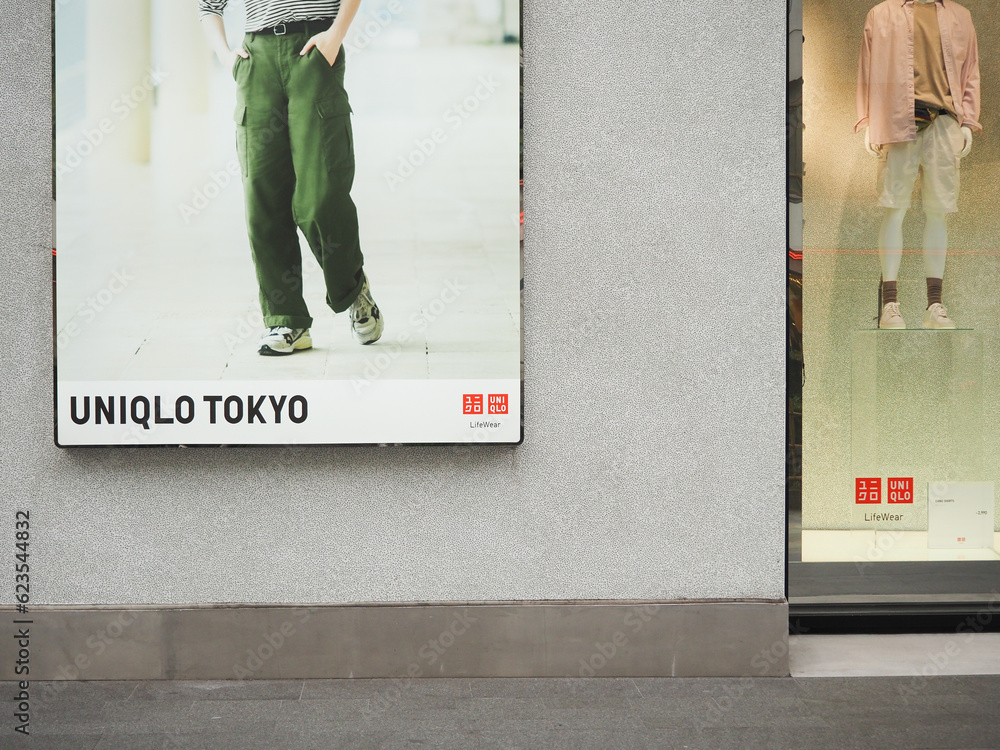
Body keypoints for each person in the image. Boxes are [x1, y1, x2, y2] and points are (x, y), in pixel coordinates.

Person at [200, 0, 384, 355]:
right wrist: (225, 56)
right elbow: (208, 5)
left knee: (321, 196)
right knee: (263, 197)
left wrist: (335, 34)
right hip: (256, 60)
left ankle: (352, 288)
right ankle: (286, 320)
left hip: (312, 50)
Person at [855, 0, 981, 330]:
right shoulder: (881, 14)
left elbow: (970, 71)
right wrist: (867, 119)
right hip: (896, 120)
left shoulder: (960, 16)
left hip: (944, 122)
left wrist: (968, 121)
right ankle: (890, 305)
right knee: (894, 209)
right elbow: (866, 68)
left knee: (938, 212)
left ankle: (934, 305)